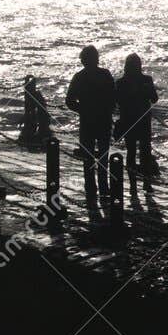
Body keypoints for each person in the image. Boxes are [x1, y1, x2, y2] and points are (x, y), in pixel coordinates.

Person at [65, 45, 116, 219]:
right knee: (103, 155)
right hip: (103, 120)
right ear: (96, 58)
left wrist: (83, 110)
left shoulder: (79, 77)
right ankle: (104, 188)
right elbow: (113, 97)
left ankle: (91, 188)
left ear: (83, 60)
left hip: (87, 122)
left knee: (88, 157)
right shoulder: (105, 74)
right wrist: (107, 110)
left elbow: (69, 100)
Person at [115, 54, 160, 182]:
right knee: (144, 151)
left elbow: (116, 101)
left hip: (129, 120)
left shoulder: (121, 82)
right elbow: (154, 99)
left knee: (132, 152)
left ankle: (133, 184)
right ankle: (146, 182)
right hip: (142, 121)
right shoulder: (146, 80)